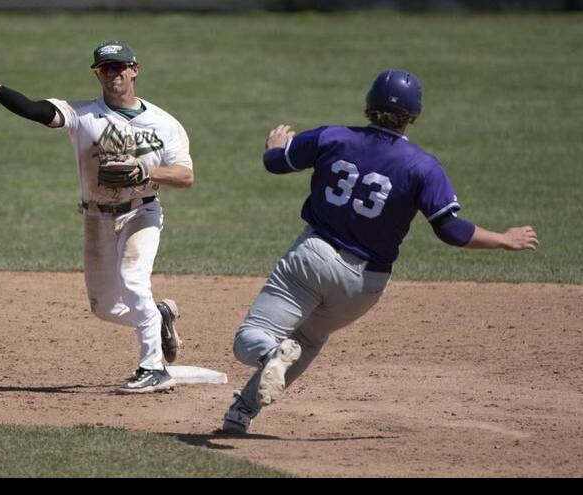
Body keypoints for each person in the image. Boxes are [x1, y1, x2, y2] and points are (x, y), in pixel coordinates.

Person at [220, 69, 539, 434]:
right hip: (364, 287)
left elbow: (276, 164)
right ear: (413, 114)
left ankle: (268, 356)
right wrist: (504, 238)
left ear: (369, 104)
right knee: (306, 340)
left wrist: (275, 146)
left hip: (313, 260)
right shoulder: (423, 166)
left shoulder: (332, 137)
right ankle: (241, 412)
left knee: (252, 339)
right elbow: (450, 230)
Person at [0, 41, 194, 393]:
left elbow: (185, 176)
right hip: (96, 219)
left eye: (119, 67)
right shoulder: (82, 115)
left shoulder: (165, 123)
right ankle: (158, 318)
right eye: (105, 69)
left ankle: (152, 367)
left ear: (135, 70)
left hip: (141, 213)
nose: (112, 74)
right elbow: (35, 110)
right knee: (104, 307)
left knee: (133, 280)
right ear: (98, 74)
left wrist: (145, 171)